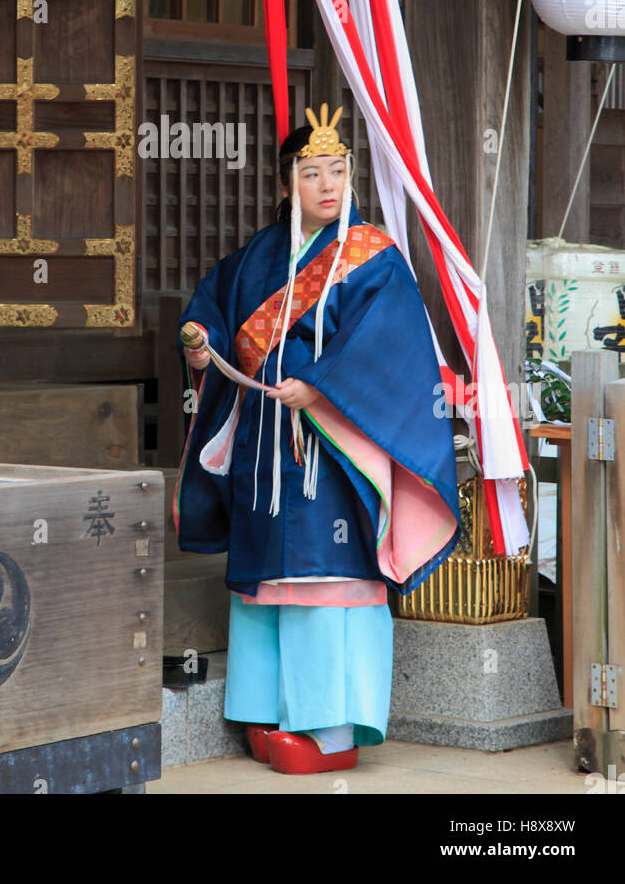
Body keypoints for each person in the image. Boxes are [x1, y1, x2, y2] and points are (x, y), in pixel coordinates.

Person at [175, 104, 460, 774]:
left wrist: (322, 388)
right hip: (263, 442)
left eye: (339, 171)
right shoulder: (254, 259)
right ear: (285, 185)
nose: (328, 185)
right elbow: (211, 308)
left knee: (325, 585)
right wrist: (199, 342)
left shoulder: (374, 259)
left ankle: (331, 734)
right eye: (312, 174)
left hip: (331, 452)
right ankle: (270, 713)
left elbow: (390, 346)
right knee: (266, 587)